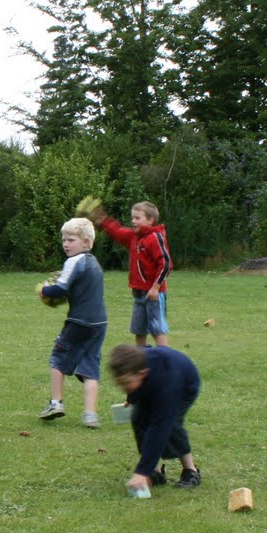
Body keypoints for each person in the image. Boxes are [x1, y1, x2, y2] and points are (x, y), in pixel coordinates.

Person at [38, 217, 108, 428]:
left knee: (58, 357)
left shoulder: (73, 262)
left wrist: (44, 291)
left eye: (71, 240)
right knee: (91, 367)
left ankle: (56, 403)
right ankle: (90, 415)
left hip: (79, 321)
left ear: (86, 242)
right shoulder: (94, 263)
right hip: (100, 323)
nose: (66, 244)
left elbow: (60, 288)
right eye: (64, 240)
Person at [109, 343, 202, 492]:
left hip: (184, 385)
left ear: (143, 373)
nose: (123, 387)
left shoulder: (167, 384)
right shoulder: (136, 360)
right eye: (120, 384)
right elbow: (145, 348)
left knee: (171, 427)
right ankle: (155, 472)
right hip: (152, 382)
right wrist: (131, 397)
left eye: (126, 383)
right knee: (139, 419)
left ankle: (191, 471)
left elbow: (160, 427)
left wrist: (141, 472)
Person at [91, 200, 172, 347]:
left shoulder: (155, 237)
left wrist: (155, 287)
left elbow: (166, 264)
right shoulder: (134, 237)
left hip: (154, 294)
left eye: (137, 218)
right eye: (132, 218)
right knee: (139, 330)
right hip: (138, 294)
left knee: (157, 330)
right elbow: (117, 231)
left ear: (150, 220)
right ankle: (140, 362)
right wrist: (103, 220)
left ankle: (164, 360)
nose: (133, 221)